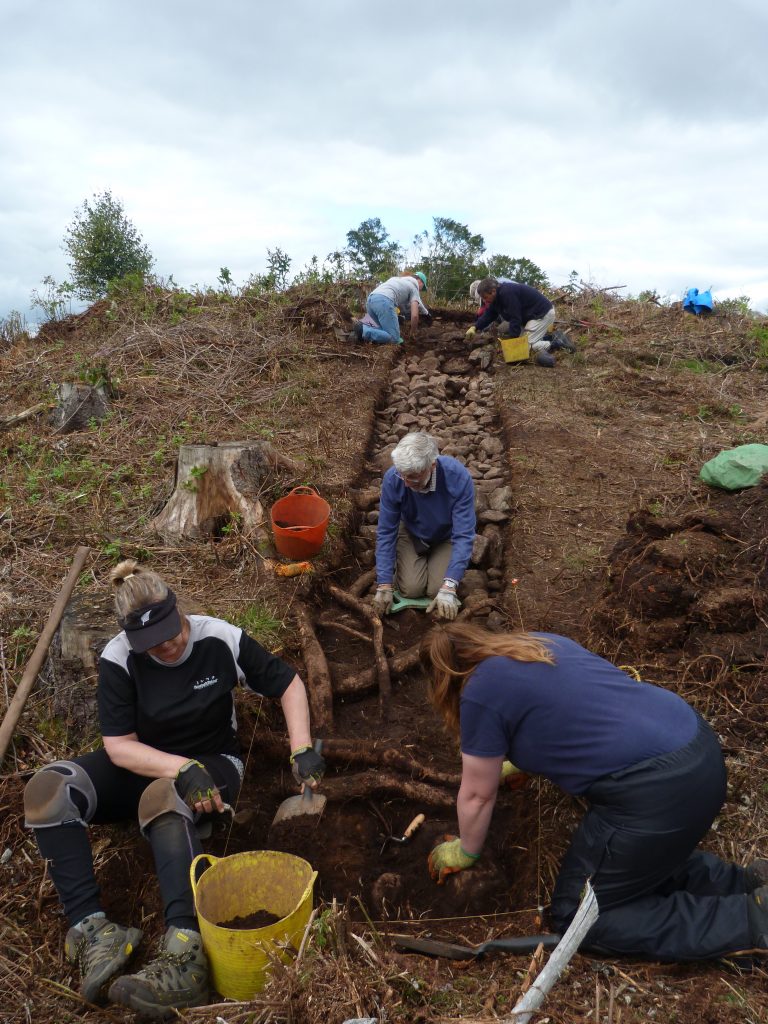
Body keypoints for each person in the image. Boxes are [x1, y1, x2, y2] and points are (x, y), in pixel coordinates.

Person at [23, 560, 325, 1017]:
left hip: (215, 762)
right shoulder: (119, 657)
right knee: (48, 788)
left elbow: (288, 684)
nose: (166, 646)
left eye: (169, 633)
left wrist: (300, 748)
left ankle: (185, 953)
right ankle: (93, 931)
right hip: (145, 762)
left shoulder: (218, 638)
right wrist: (179, 767)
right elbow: (119, 746)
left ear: (177, 609)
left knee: (163, 795)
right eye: (151, 643)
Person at [422, 622, 768, 961]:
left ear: (442, 683)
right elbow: (570, 708)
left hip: (658, 789)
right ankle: (743, 883)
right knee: (631, 868)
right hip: (697, 749)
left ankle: (750, 922)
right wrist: (520, 763)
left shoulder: (477, 693)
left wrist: (466, 851)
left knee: (581, 915)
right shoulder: (537, 644)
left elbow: (477, 796)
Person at [372, 432, 475, 621]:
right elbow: (386, 532)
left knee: (437, 590)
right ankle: (402, 568)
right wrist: (384, 583)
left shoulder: (457, 477)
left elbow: (463, 534)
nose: (406, 483)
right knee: (411, 589)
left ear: (432, 466)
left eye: (413, 478)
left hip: (446, 537)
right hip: (411, 533)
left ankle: (435, 567)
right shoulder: (394, 478)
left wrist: (450, 586)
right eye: (403, 475)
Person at [465, 277, 575, 368]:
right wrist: (475, 327)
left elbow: (515, 317)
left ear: (493, 291)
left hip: (541, 314)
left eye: (485, 297)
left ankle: (557, 342)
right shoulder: (496, 299)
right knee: (523, 342)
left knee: (526, 346)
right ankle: (552, 337)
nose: (484, 301)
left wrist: (513, 342)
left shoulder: (507, 293)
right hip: (531, 317)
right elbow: (489, 315)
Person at [351, 271, 429, 345]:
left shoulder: (397, 280)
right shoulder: (414, 287)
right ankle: (363, 330)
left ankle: (361, 328)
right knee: (394, 338)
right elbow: (415, 315)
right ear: (420, 281)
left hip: (370, 300)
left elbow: (401, 308)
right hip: (384, 302)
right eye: (422, 288)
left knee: (381, 330)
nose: (420, 290)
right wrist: (413, 333)